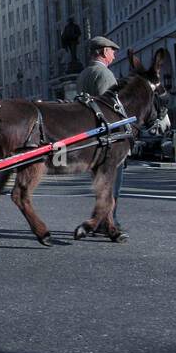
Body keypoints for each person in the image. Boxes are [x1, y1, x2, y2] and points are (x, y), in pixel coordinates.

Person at [75, 35, 126, 236]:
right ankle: (107, 222)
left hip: (90, 137)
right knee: (114, 184)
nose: (114, 55)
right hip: (107, 139)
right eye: (112, 51)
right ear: (104, 52)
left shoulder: (84, 74)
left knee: (101, 182)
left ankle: (101, 221)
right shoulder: (104, 75)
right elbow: (109, 109)